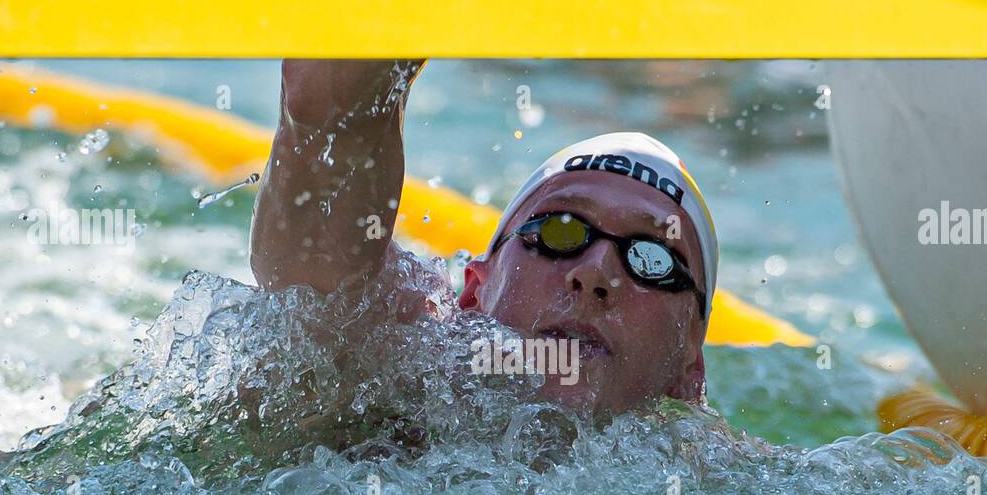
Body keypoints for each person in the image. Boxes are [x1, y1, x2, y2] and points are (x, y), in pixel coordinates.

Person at [251, 59, 721, 416]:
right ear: (473, 292)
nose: (595, 273)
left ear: (689, 373)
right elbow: (325, 122)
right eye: (560, 232)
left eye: (651, 259)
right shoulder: (401, 387)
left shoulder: (726, 493)